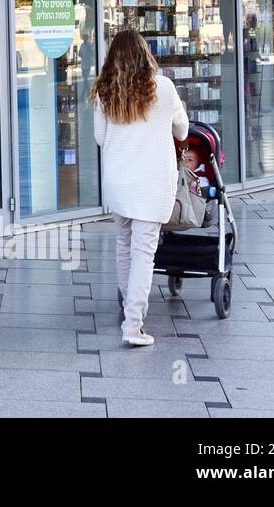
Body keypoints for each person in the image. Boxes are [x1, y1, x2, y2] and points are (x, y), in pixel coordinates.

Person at [92, 29, 188, 347]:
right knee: (144, 253)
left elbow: (100, 138)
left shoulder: (104, 92)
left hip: (120, 183)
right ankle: (133, 326)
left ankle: (128, 308)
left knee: (124, 244)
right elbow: (182, 128)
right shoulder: (163, 88)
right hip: (151, 183)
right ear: (145, 55)